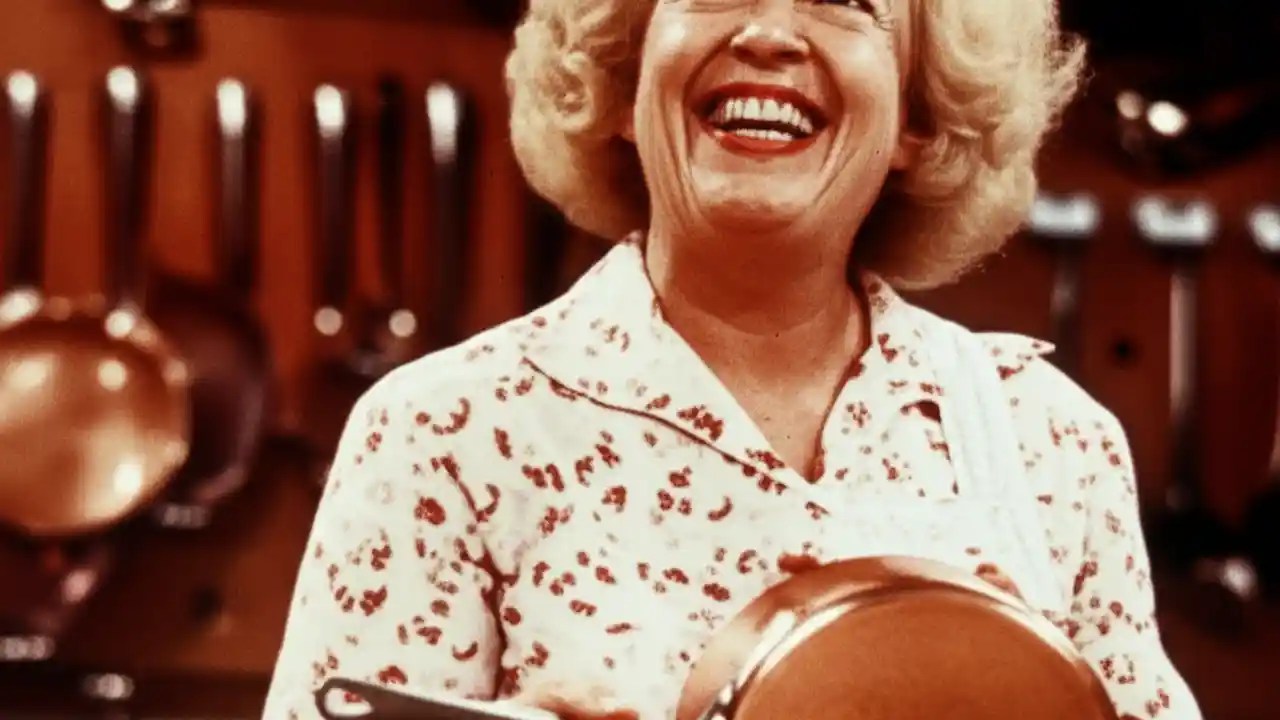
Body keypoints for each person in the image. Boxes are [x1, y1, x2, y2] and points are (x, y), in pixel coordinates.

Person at [264, 1, 1202, 718]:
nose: (767, 32)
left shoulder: (1051, 442)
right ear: (622, 86)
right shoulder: (448, 433)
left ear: (919, 121)